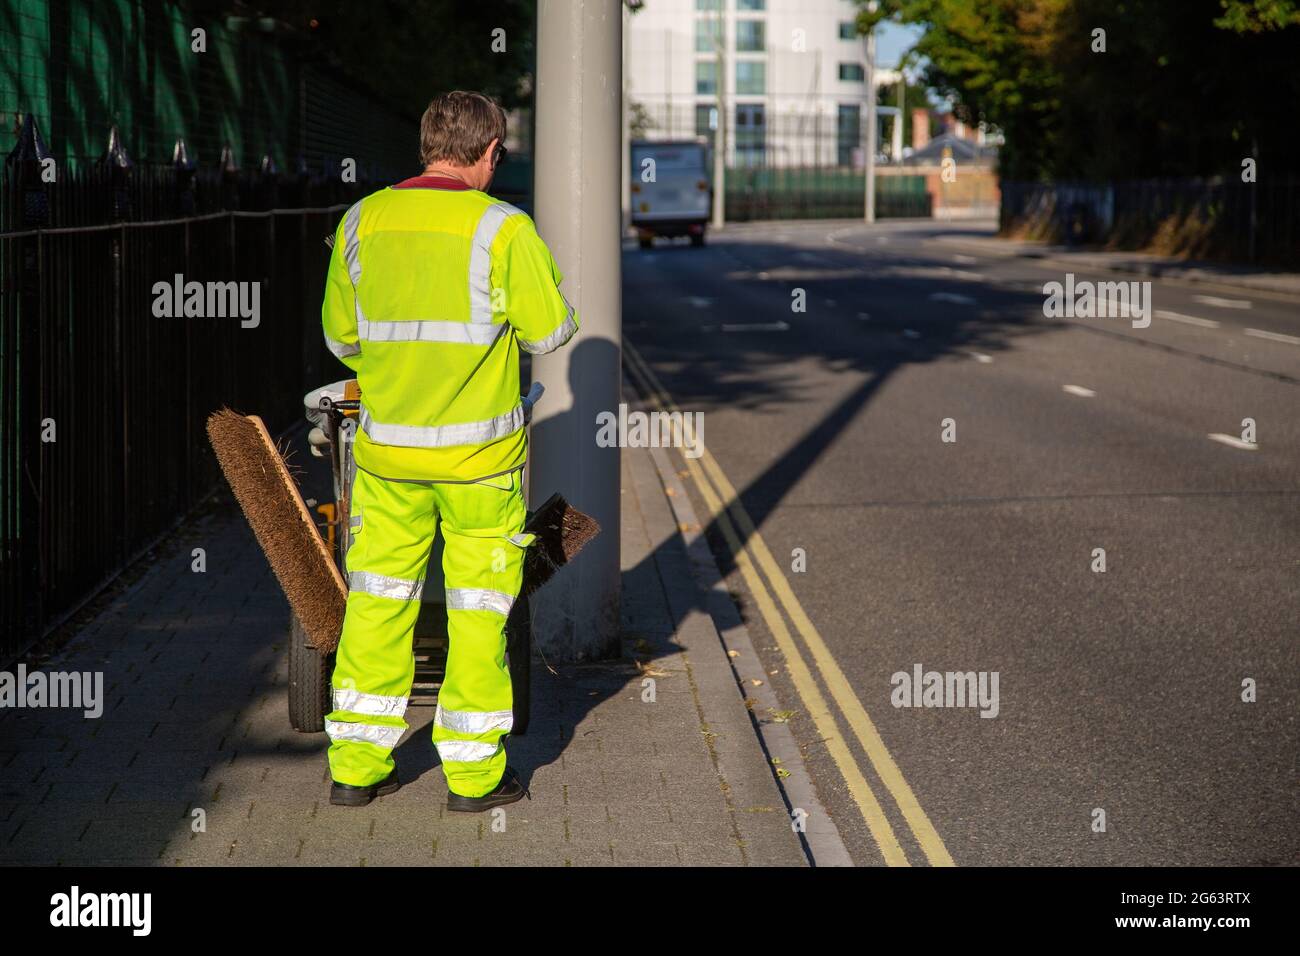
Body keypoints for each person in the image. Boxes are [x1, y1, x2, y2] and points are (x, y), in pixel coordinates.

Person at [320, 90, 578, 812]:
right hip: (480, 465)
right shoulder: (503, 227)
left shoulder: (361, 220)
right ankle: (473, 778)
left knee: (377, 602)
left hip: (387, 460)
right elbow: (551, 332)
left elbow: (341, 338)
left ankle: (356, 769)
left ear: (428, 145)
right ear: (490, 151)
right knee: (477, 612)